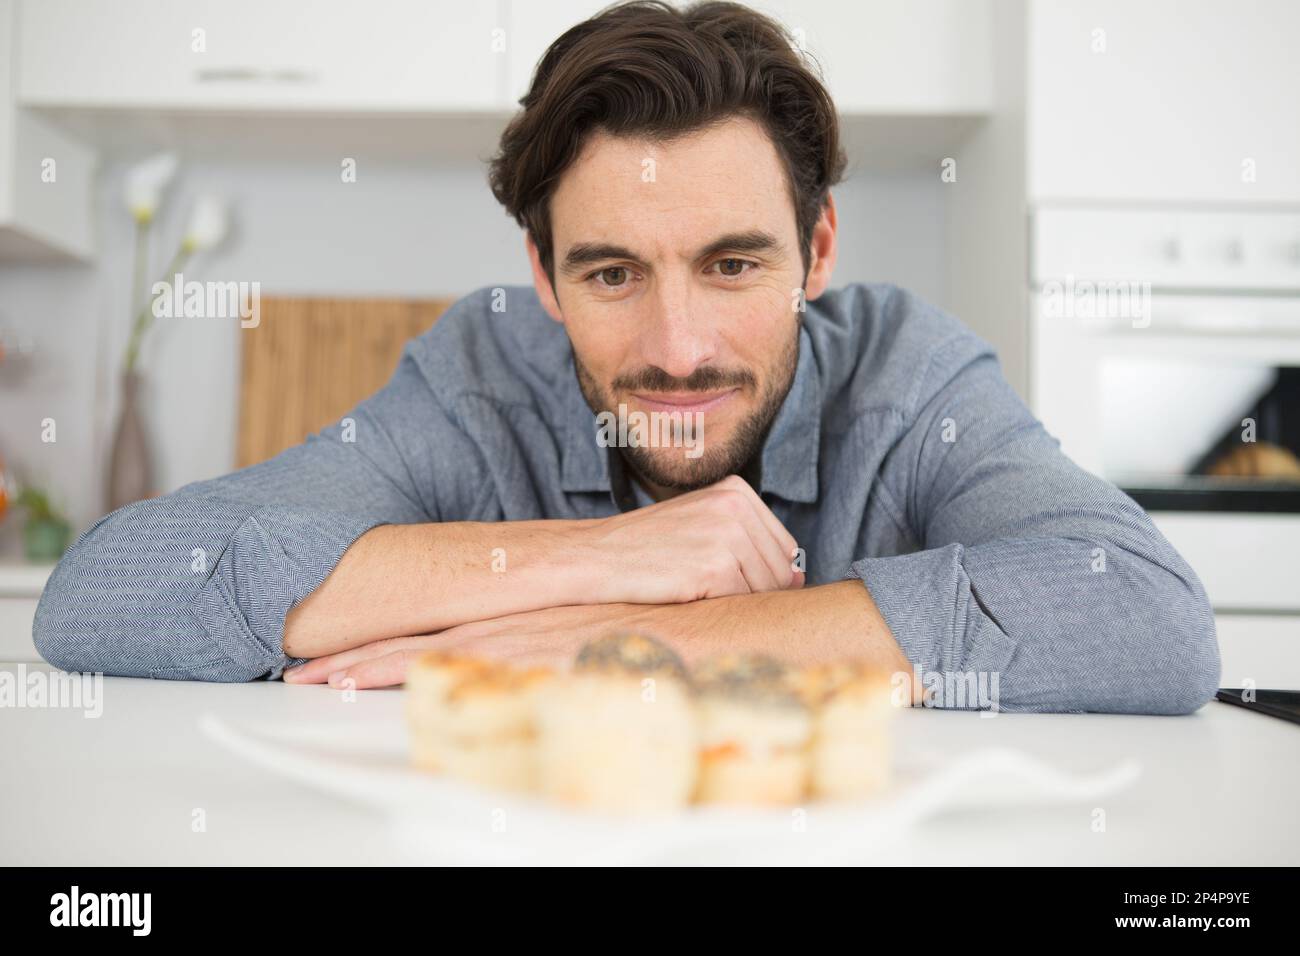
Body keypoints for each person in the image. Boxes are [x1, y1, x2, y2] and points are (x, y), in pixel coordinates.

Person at [34, 1, 1219, 713]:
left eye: (732, 264)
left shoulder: (912, 378)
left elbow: (1147, 617)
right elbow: (110, 589)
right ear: (543, 276)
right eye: (610, 273)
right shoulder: (476, 378)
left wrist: (633, 637)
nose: (677, 347)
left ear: (815, 251)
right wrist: (604, 553)